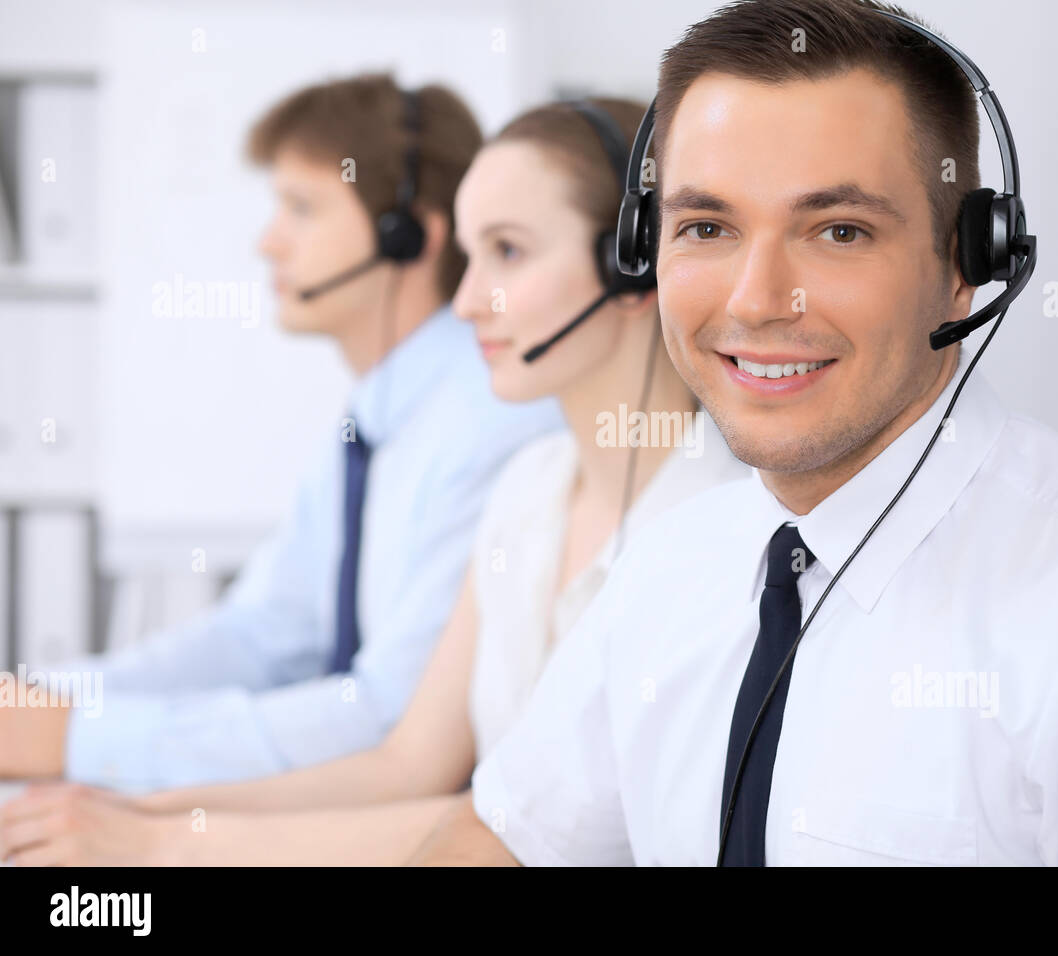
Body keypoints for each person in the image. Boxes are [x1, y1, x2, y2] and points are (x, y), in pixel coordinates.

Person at [409, 0, 1058, 866]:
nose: (757, 300)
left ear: (968, 266)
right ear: (648, 246)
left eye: (839, 231)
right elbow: (504, 839)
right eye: (706, 227)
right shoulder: (672, 566)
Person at [0, 98, 747, 865]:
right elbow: (406, 766)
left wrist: (154, 845)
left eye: (509, 252)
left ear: (631, 256)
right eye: (471, 253)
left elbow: (507, 836)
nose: (464, 301)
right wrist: (124, 812)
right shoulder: (531, 487)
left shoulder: (722, 523)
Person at [0, 75, 562, 791]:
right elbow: (263, 636)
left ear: (406, 237)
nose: (268, 243)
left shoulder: (494, 422)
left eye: (303, 208)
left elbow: (393, 718)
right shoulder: (376, 420)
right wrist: (53, 700)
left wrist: (80, 741)